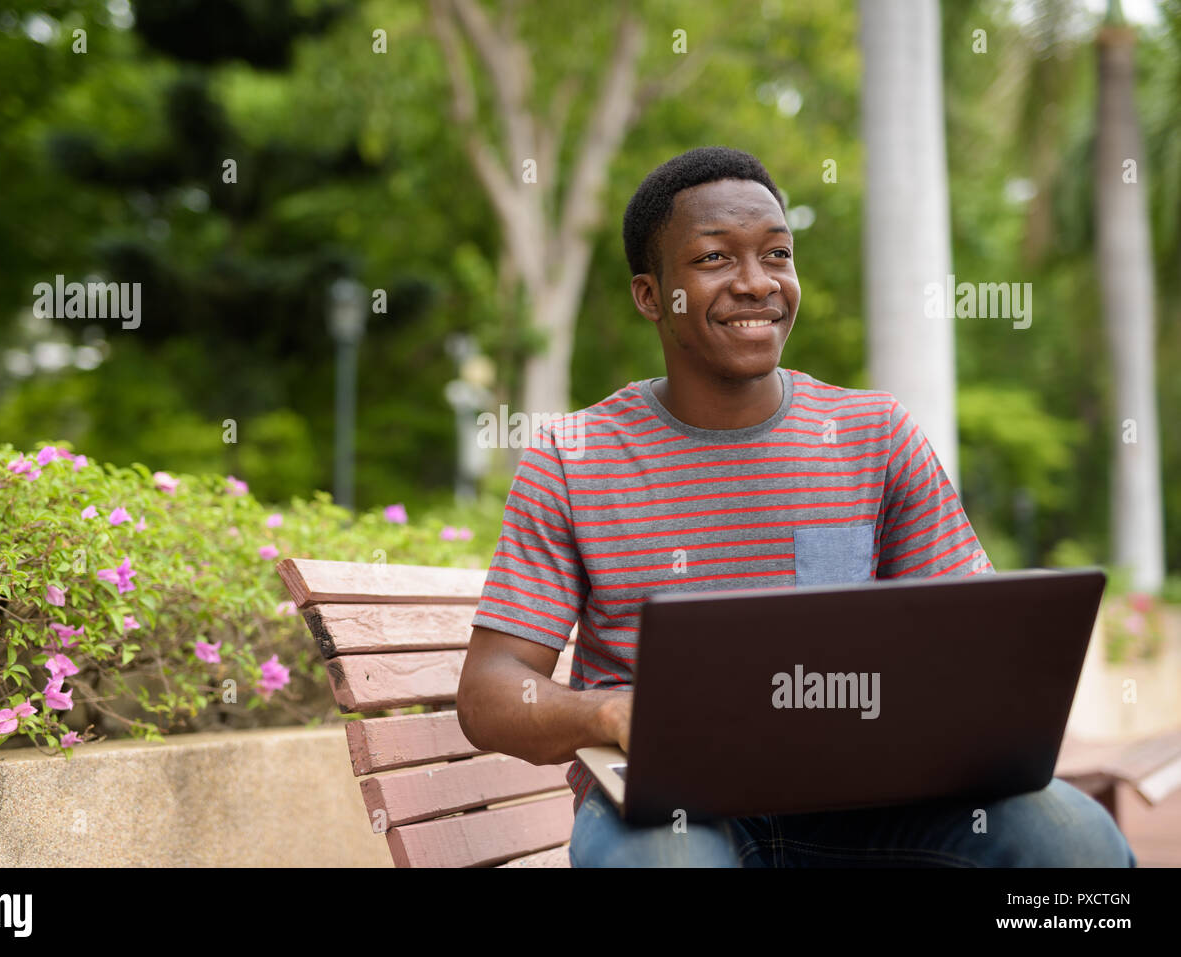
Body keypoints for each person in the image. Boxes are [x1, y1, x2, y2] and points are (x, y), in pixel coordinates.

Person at [455, 146, 1135, 867]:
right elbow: (490, 693)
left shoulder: (877, 435)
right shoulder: (574, 455)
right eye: (715, 259)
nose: (756, 283)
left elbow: (976, 649)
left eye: (776, 254)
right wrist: (610, 710)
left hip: (874, 801)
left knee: (1072, 841)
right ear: (651, 296)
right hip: (676, 807)